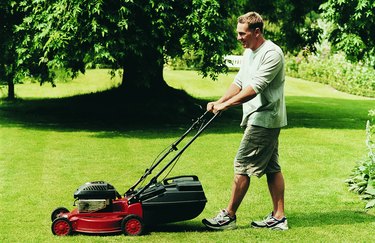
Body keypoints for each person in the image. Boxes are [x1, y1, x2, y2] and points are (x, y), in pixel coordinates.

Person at [202, 11, 288, 231]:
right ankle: (279, 218)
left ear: (256, 32)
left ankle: (228, 215)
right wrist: (219, 101)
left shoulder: (272, 53)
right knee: (272, 167)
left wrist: (227, 105)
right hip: (257, 116)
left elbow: (254, 88)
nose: (239, 38)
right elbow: (240, 82)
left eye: (242, 34)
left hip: (265, 117)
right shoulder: (250, 51)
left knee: (241, 165)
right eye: (238, 33)